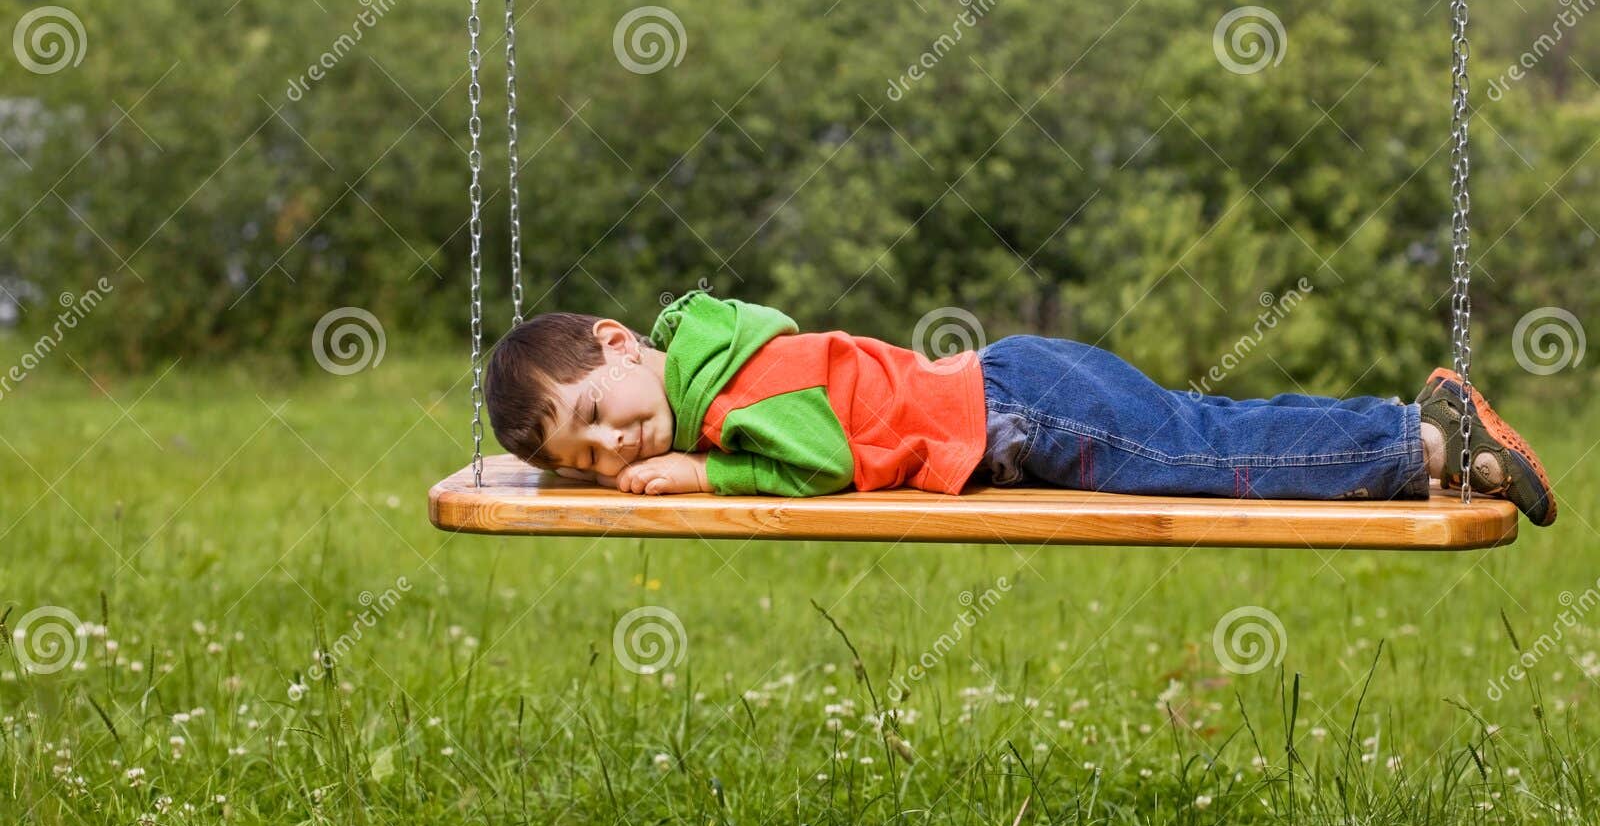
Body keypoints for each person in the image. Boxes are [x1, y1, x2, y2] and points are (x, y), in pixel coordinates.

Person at [481, 290, 1555, 526]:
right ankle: (1426, 439)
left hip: (1026, 413)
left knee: (1203, 458)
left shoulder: (735, 398)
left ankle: (1419, 443)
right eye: (590, 457)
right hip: (1017, 395)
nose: (617, 445)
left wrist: (709, 474)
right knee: (1202, 432)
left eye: (599, 411)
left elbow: (813, 462)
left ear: (621, 344)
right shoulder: (711, 349)